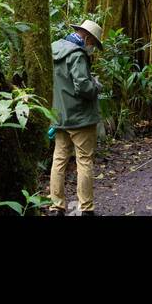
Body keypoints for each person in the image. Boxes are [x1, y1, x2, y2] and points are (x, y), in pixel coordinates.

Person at [47, 18, 103, 217]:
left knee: (59, 160)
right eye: (93, 44)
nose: (92, 48)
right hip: (81, 119)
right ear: (86, 37)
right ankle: (86, 208)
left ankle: (56, 206)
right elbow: (83, 87)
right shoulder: (77, 54)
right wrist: (95, 85)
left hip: (59, 115)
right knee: (85, 161)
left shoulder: (54, 48)